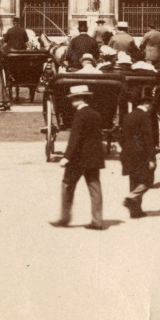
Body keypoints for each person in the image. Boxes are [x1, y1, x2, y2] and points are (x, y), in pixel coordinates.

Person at [50, 85, 105, 229]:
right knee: (95, 188)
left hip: (78, 159)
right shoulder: (95, 114)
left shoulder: (79, 115)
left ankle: (64, 218)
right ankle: (97, 221)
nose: (71, 101)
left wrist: (66, 157)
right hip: (93, 158)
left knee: (67, 185)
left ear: (80, 98)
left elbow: (75, 138)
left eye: (73, 98)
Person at [120, 88, 158, 217]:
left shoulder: (128, 116)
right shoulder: (145, 117)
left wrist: (126, 148)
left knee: (134, 181)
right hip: (141, 153)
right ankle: (131, 198)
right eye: (152, 105)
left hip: (127, 152)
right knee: (148, 180)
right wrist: (152, 158)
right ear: (148, 104)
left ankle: (135, 212)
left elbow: (120, 136)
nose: (152, 108)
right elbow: (148, 138)